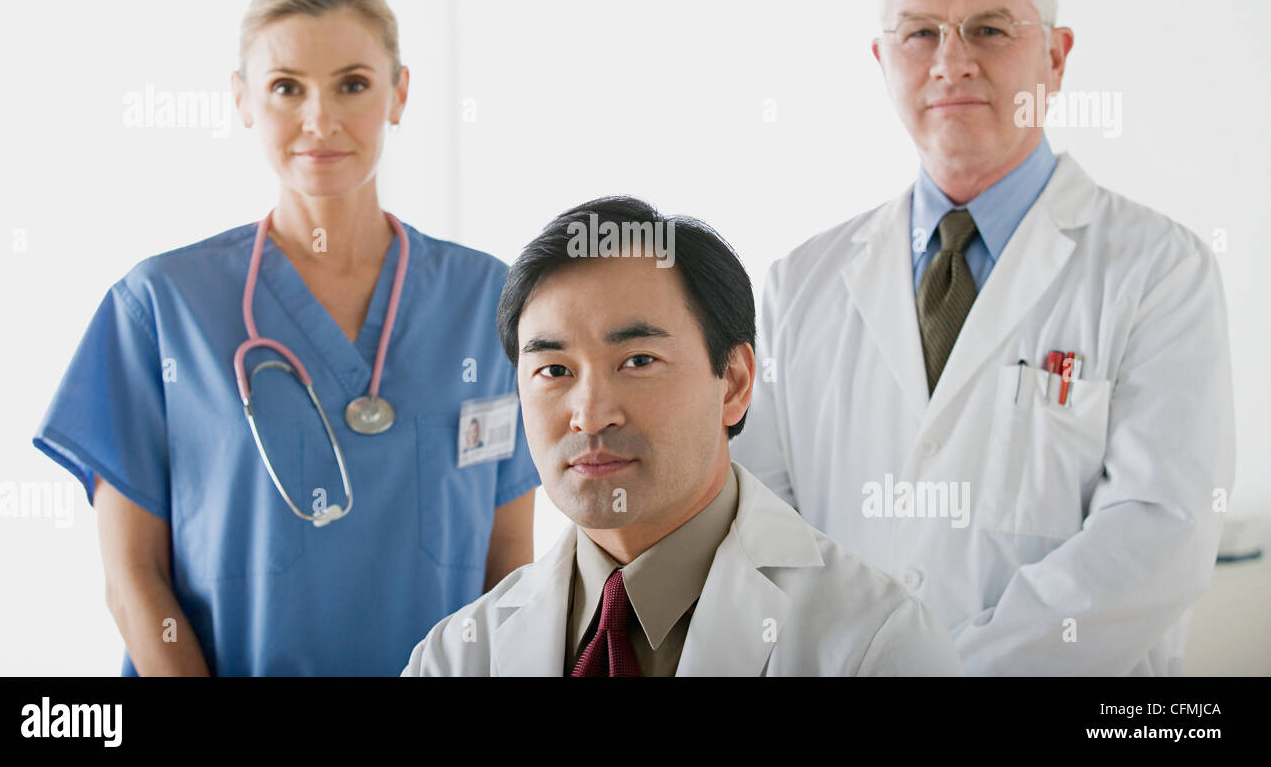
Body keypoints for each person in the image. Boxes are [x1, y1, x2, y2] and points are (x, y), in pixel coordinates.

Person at [731, 0, 1236, 675]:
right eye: (920, 33)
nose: (951, 62)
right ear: (882, 57)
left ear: (1056, 57)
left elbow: (1159, 535)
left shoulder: (1160, 270)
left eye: (990, 30)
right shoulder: (798, 284)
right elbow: (761, 528)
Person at [32, 0, 540, 675]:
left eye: (353, 84)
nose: (320, 120)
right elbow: (131, 581)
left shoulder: (485, 301)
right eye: (285, 88)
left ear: (399, 93)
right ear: (242, 99)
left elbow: (506, 567)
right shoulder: (159, 306)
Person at [403, 197, 963, 676]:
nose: (590, 416)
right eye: (554, 371)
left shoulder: (876, 645)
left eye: (638, 360)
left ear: (735, 383)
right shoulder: (458, 656)